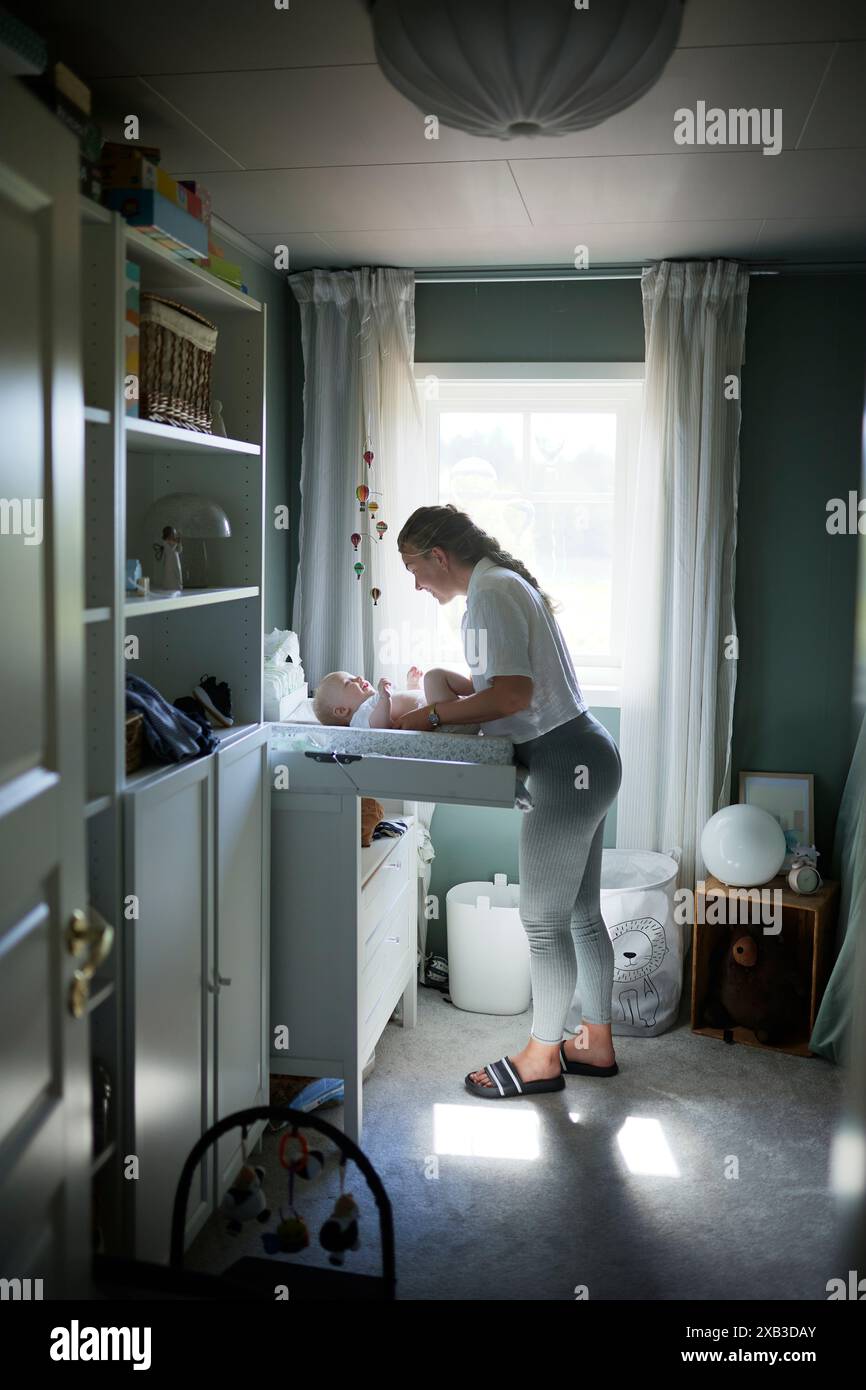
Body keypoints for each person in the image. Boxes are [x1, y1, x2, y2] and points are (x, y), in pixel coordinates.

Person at [395, 504, 623, 1100]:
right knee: (580, 914)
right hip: (588, 754)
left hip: (562, 763)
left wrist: (428, 716)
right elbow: (508, 688)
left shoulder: (490, 592)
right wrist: (448, 691)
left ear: (438, 555)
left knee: (543, 923)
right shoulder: (503, 583)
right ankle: (595, 1044)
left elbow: (513, 696)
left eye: (414, 569)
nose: (416, 584)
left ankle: (542, 1057)